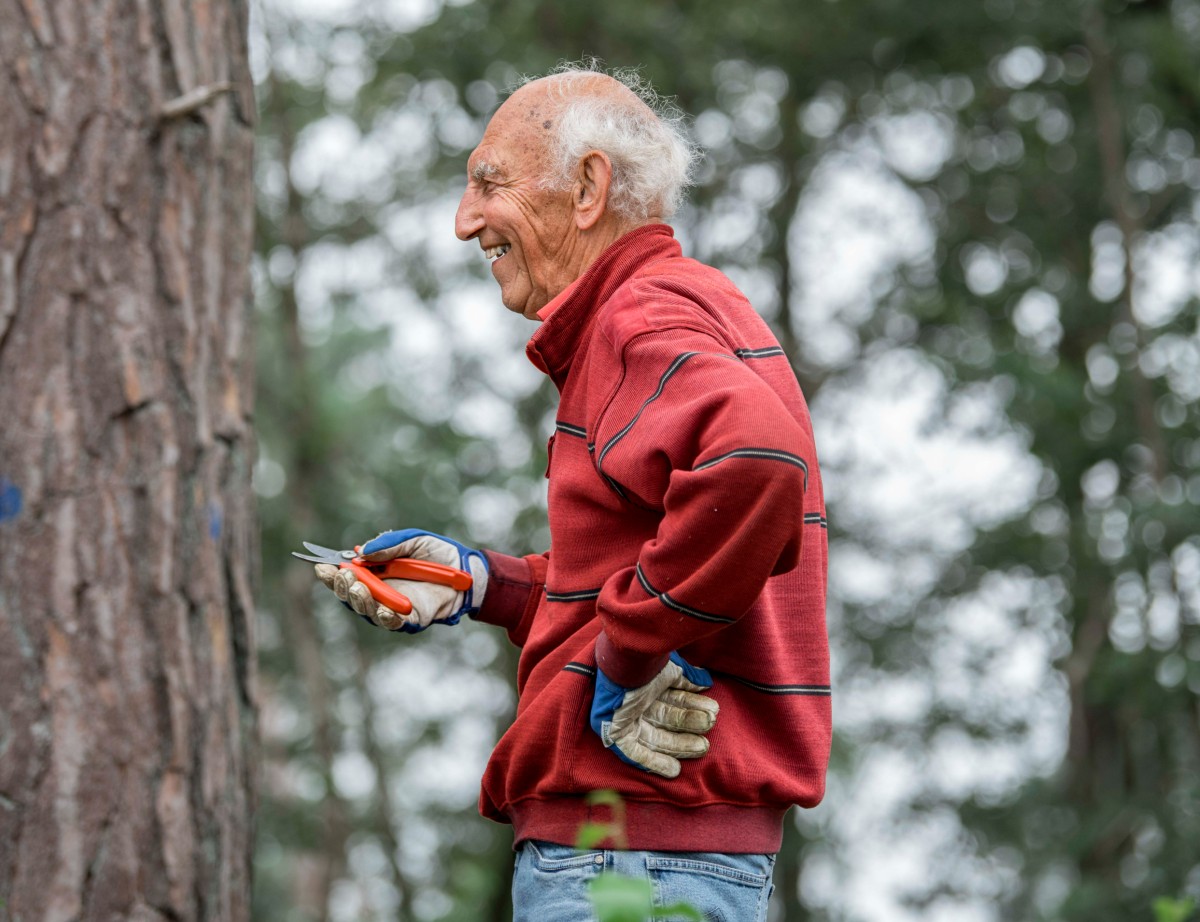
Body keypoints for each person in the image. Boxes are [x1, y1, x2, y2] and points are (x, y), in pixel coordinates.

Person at [315, 64, 831, 921]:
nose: (464, 221)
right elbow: (654, 560)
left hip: (623, 853)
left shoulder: (639, 317)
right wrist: (484, 584)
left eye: (490, 184)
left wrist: (627, 658)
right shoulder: (693, 308)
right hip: (666, 855)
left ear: (588, 188)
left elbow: (757, 459)